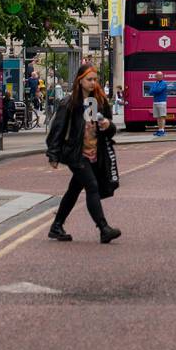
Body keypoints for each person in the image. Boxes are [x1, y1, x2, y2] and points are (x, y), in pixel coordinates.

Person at [46, 66, 121, 244]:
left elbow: (109, 130)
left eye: (95, 79)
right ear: (80, 80)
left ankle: (56, 226)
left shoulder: (98, 102)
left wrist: (107, 125)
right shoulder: (70, 103)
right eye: (89, 79)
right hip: (76, 154)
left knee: (74, 190)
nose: (93, 83)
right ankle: (104, 229)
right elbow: (57, 130)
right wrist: (53, 154)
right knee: (92, 186)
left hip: (94, 152)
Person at [151, 71, 168, 137]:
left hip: (162, 102)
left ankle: (162, 130)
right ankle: (159, 129)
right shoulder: (154, 83)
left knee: (162, 116)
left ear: (162, 76)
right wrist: (155, 90)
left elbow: (158, 91)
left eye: (159, 75)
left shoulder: (164, 83)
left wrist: (154, 90)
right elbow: (150, 92)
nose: (158, 77)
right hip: (155, 102)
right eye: (157, 76)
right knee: (158, 117)